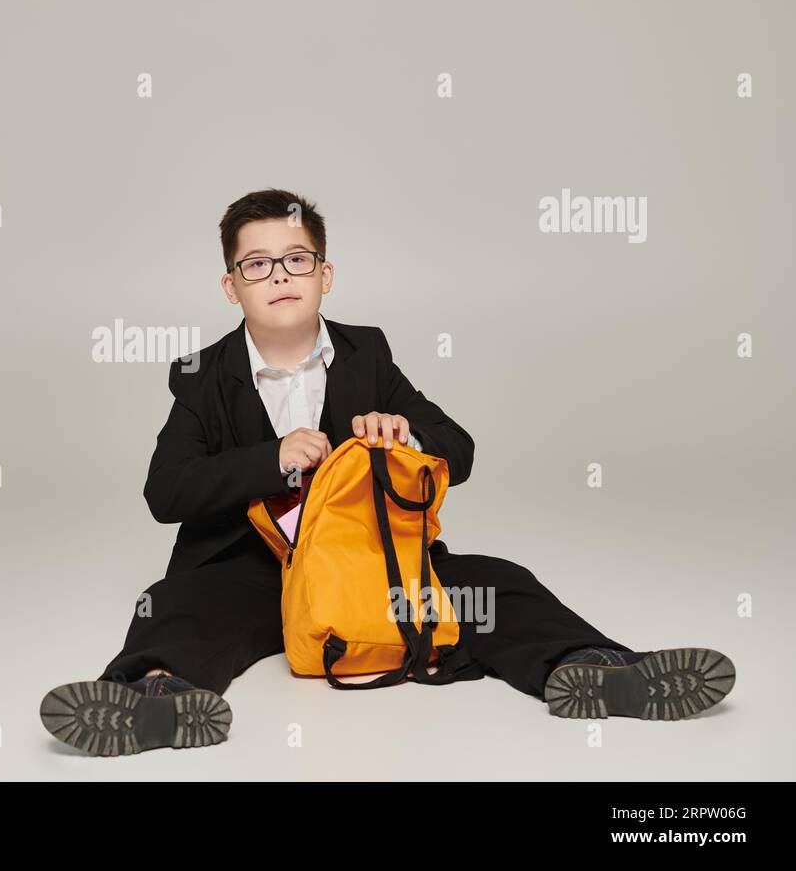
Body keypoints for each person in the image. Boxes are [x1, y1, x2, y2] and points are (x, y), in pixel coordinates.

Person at [39, 188, 736, 756]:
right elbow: (166, 491)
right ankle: (153, 699)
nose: (280, 276)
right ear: (231, 286)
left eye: (297, 259)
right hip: (254, 572)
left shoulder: (366, 354)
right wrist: (272, 458)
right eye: (258, 265)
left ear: (325, 274)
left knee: (496, 584)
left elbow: (457, 449)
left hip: (371, 567)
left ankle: (595, 669)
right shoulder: (201, 374)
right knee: (175, 605)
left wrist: (406, 434)